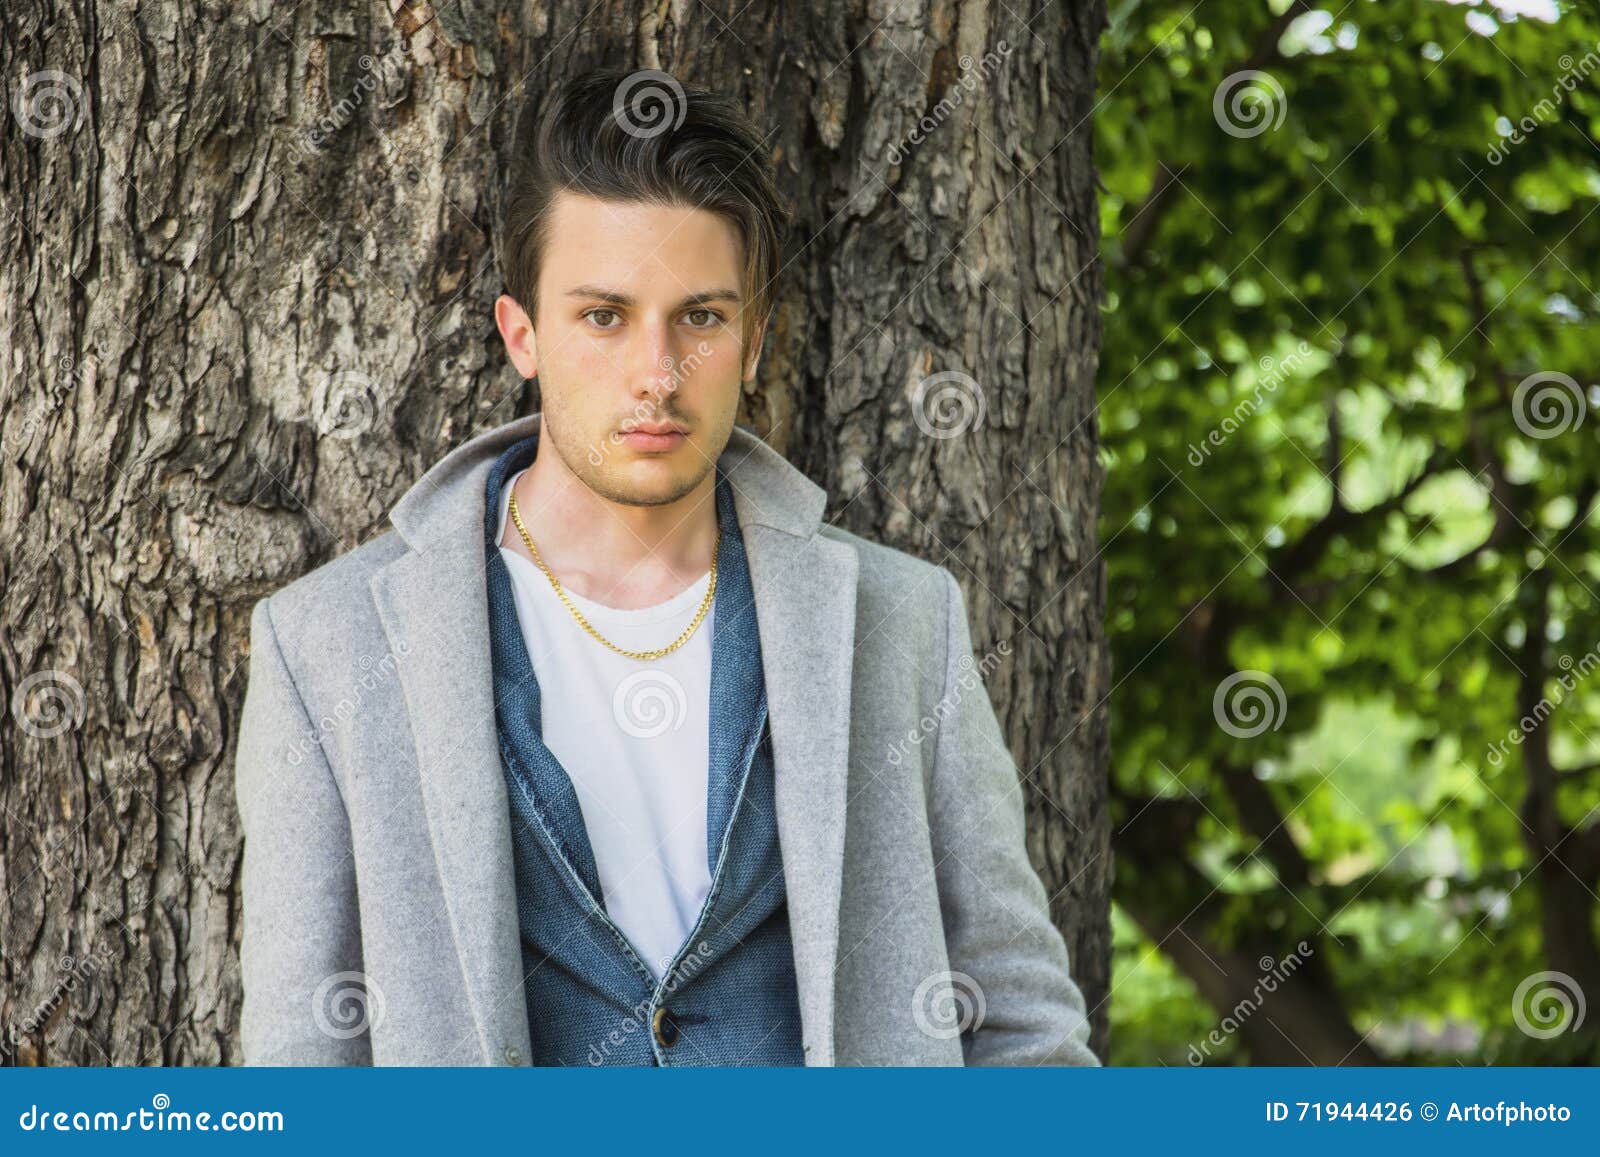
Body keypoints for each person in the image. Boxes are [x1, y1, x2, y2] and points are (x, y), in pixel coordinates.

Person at [234, 66, 1097, 1067]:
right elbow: (304, 1064)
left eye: (700, 317)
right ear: (524, 335)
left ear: (753, 338)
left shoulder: (905, 619)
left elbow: (1021, 1026)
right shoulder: (327, 645)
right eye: (604, 316)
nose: (657, 372)